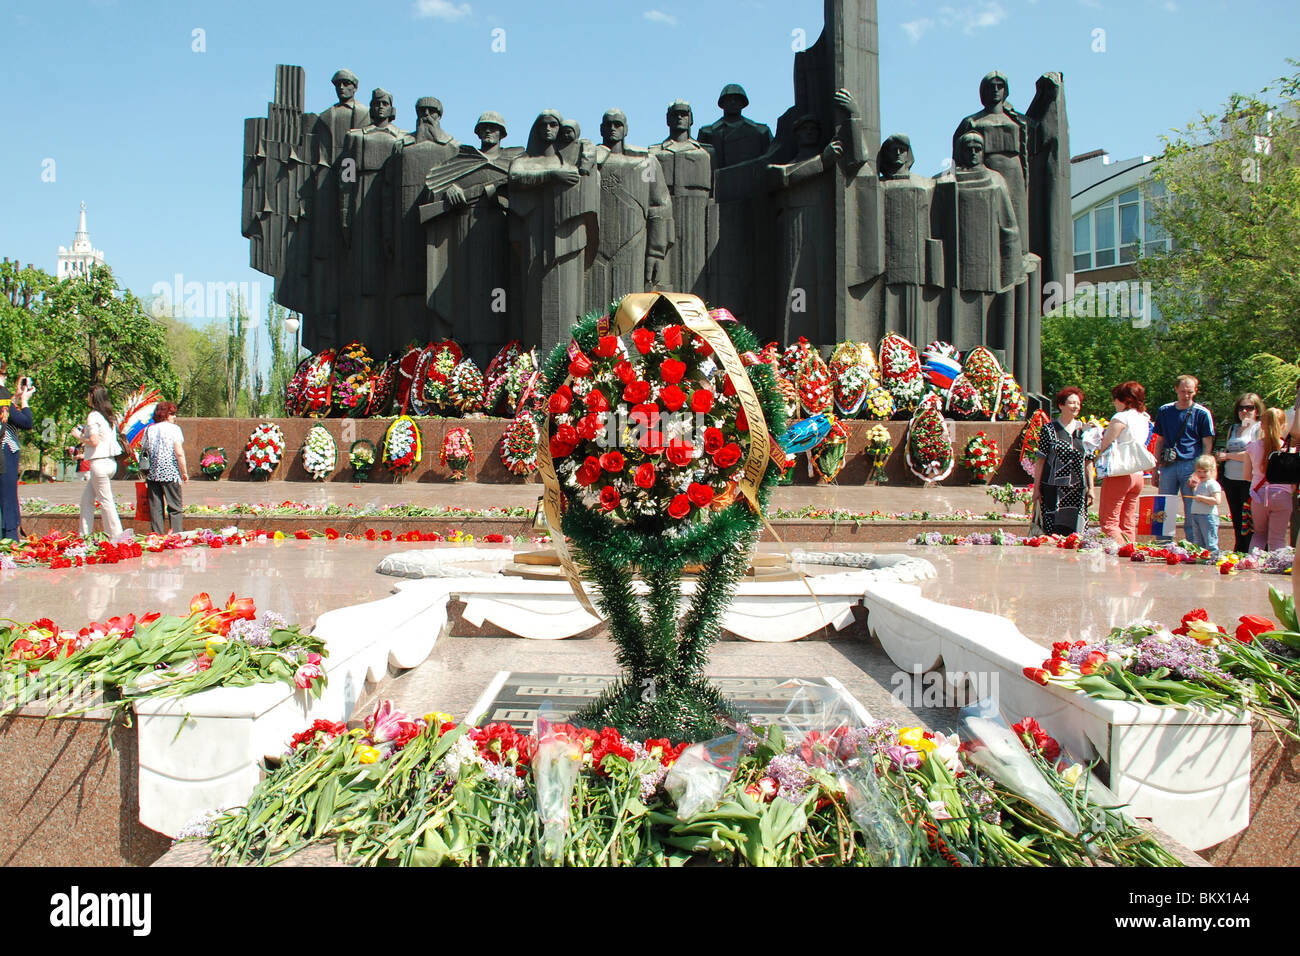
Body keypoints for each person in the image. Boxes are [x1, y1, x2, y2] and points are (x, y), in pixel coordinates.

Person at [1152, 375, 1215, 542]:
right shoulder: (1165, 411)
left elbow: (1207, 443)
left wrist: (1201, 471)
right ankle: (1162, 544)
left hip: (1191, 464)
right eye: (1183, 391)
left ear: (1195, 391)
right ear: (1176, 390)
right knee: (1164, 506)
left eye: (1190, 392)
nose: (1186, 395)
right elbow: (1160, 440)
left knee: (1192, 507)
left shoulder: (1202, 413)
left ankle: (1194, 544)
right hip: (1168, 464)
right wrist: (1155, 468)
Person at [1094, 381, 1152, 546]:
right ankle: (1131, 554)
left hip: (1119, 473)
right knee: (1127, 522)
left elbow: (1106, 443)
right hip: (1138, 474)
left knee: (1109, 522)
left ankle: (1123, 553)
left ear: (1126, 399)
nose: (1114, 403)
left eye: (1116, 399)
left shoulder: (1121, 417)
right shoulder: (1144, 418)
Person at [1031, 386, 1091, 534]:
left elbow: (1088, 461)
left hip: (1077, 489)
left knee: (1075, 533)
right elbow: (1041, 461)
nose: (1076, 406)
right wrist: (1036, 488)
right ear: (1061, 405)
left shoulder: (1084, 431)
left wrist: (1092, 489)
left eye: (1078, 403)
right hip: (1052, 488)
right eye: (1071, 403)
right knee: (1052, 531)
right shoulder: (1049, 429)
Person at [1217, 392, 1264, 552]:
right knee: (1236, 517)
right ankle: (1239, 549)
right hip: (1231, 478)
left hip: (1249, 480)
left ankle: (1251, 550)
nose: (1245, 411)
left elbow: (1252, 454)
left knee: (1249, 519)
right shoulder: (1233, 428)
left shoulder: (1259, 428)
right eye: (1241, 408)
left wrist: (1228, 456)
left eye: (1249, 408)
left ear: (1257, 410)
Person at [1243, 407, 1294, 552]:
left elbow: (1246, 476)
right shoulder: (1288, 450)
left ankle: (1252, 563)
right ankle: (1275, 569)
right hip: (1282, 497)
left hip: (1258, 496)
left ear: (1262, 425)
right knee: (1277, 539)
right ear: (1283, 426)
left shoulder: (1251, 447)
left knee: (1259, 535)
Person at [76, 384, 124, 540]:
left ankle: (118, 536)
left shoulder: (93, 416)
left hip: (99, 463)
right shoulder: (109, 416)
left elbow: (94, 441)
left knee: (106, 501)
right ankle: (84, 535)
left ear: (93, 397)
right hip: (110, 462)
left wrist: (78, 436)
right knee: (86, 500)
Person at [0, 361, 36, 541]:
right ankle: (10, 535)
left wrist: (13, 397)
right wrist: (24, 401)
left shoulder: (4, 397)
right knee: (8, 494)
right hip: (5, 451)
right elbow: (25, 422)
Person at [142, 401, 188, 534]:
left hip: (152, 474)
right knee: (175, 507)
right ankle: (176, 536)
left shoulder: (149, 429)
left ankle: (157, 537)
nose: (175, 417)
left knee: (156, 508)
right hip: (170, 472)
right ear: (165, 414)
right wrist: (183, 472)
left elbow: (144, 449)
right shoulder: (174, 429)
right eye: (172, 414)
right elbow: (179, 453)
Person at [1186, 454, 1223, 552]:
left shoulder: (1212, 484)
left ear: (1211, 471)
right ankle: (1201, 558)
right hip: (1196, 515)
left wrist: (1202, 498)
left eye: (1205, 471)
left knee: (1210, 541)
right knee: (1198, 542)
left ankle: (1214, 558)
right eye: (1199, 471)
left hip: (1208, 516)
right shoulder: (1200, 483)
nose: (1201, 474)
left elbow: (1217, 500)